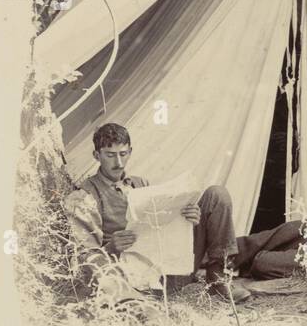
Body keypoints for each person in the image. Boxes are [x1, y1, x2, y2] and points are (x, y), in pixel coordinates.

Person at [65, 123, 252, 304]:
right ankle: (138, 300)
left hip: (172, 266)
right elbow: (84, 258)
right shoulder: (85, 196)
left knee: (217, 195)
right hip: (134, 278)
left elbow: (165, 225)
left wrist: (190, 219)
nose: (119, 162)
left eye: (123, 154)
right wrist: (112, 247)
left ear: (130, 151)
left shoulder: (141, 184)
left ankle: (218, 279)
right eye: (110, 155)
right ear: (96, 155)